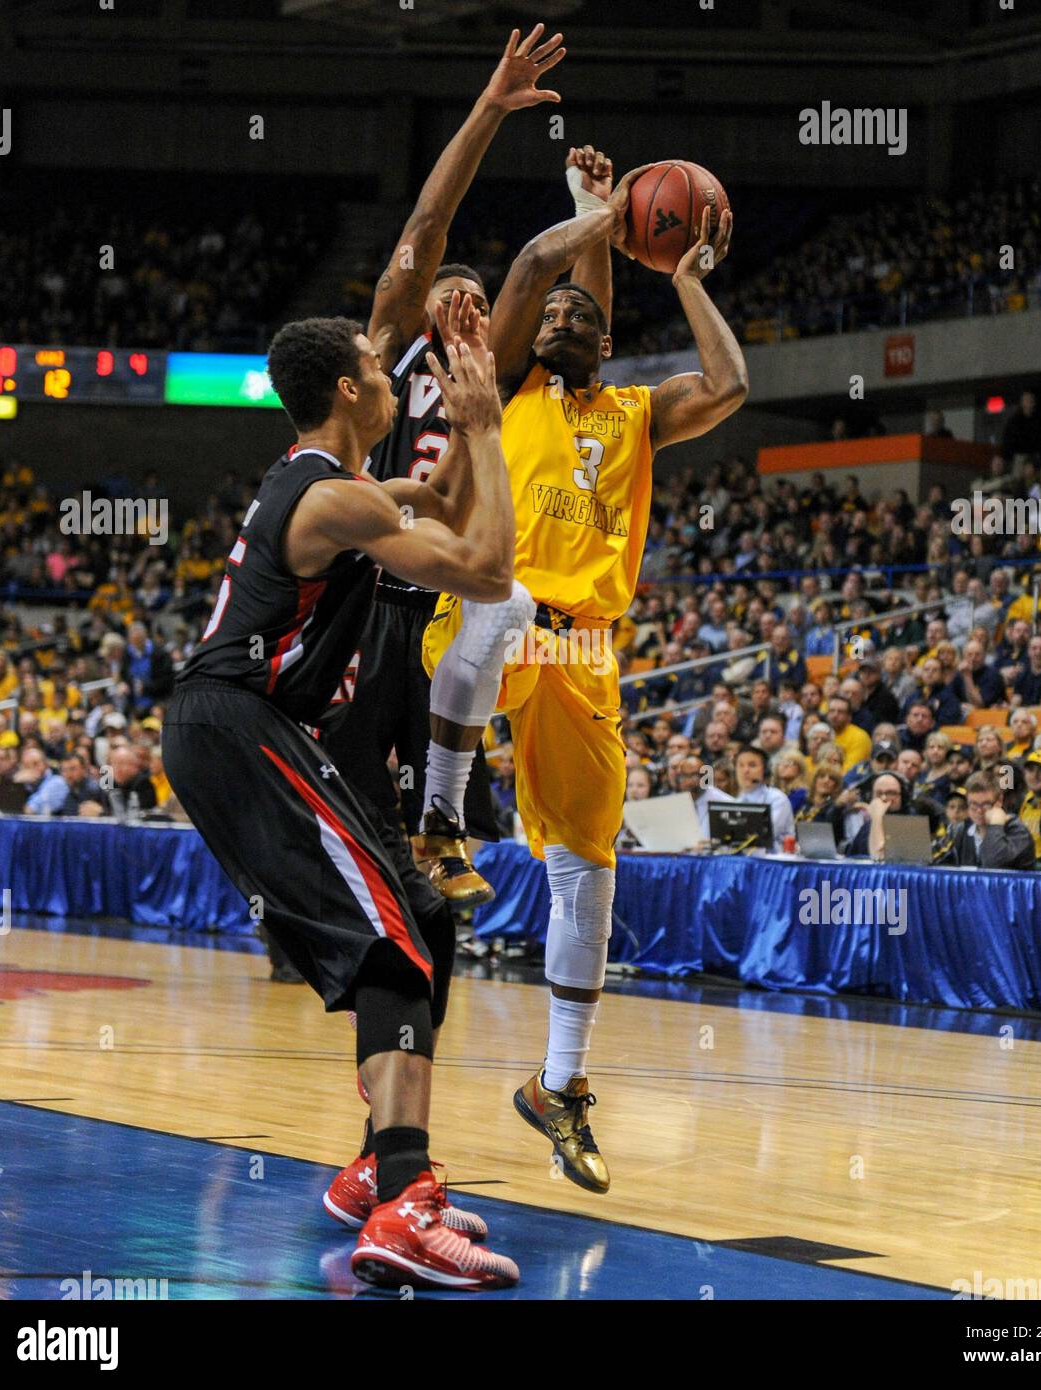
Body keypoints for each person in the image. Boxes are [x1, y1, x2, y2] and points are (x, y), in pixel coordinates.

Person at [162, 303, 521, 1290]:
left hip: (242, 728)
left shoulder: (343, 486)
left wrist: (476, 367)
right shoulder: (329, 498)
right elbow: (486, 566)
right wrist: (485, 425)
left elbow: (440, 500)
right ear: (351, 393)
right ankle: (406, 1199)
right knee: (394, 943)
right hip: (238, 725)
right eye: (377, 362)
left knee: (413, 924)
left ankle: (384, 1169)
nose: (388, 372)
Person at [423, 158, 746, 1192]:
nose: (556, 313)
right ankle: (436, 812)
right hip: (481, 609)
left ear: (603, 342)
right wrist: (592, 222)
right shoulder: (513, 385)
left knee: (588, 869)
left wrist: (685, 276)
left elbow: (733, 385)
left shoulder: (637, 412)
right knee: (505, 602)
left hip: (583, 650)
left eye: (577, 311)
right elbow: (531, 269)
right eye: (548, 313)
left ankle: (557, 1087)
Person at [320, 26, 567, 906]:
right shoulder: (383, 353)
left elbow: (538, 268)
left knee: (505, 610)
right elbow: (424, 232)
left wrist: (601, 221)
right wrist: (489, 109)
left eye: (475, 295)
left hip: (440, 593)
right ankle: (315, 915)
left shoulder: (489, 369)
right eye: (448, 293)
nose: (464, 303)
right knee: (341, 780)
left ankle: (444, 829)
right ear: (422, 303)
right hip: (365, 589)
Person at [950, 772, 1035, 868]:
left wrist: (995, 825)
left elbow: (993, 868)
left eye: (986, 804)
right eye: (973, 804)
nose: (979, 810)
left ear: (999, 801)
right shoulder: (962, 829)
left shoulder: (1018, 832)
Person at [732, 745, 795, 850]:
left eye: (752, 765)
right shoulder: (737, 801)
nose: (745, 770)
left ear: (765, 771)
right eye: (741, 765)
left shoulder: (777, 799)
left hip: (772, 862)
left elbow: (764, 834)